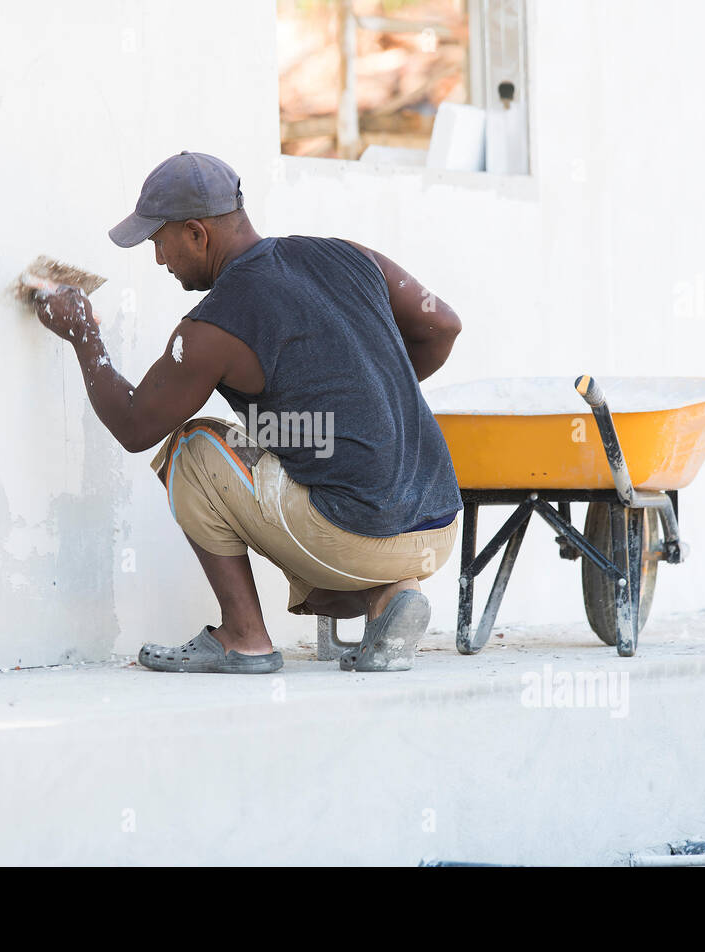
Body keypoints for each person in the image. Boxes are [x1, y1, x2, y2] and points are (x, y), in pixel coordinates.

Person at [34, 151, 462, 673]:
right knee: (288, 451)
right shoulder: (347, 255)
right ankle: (389, 597)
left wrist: (84, 335)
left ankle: (244, 636)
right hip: (439, 526)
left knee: (193, 448)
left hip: (355, 536)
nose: (159, 259)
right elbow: (442, 325)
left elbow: (133, 425)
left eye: (158, 240)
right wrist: (370, 401)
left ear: (196, 234)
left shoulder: (215, 326)